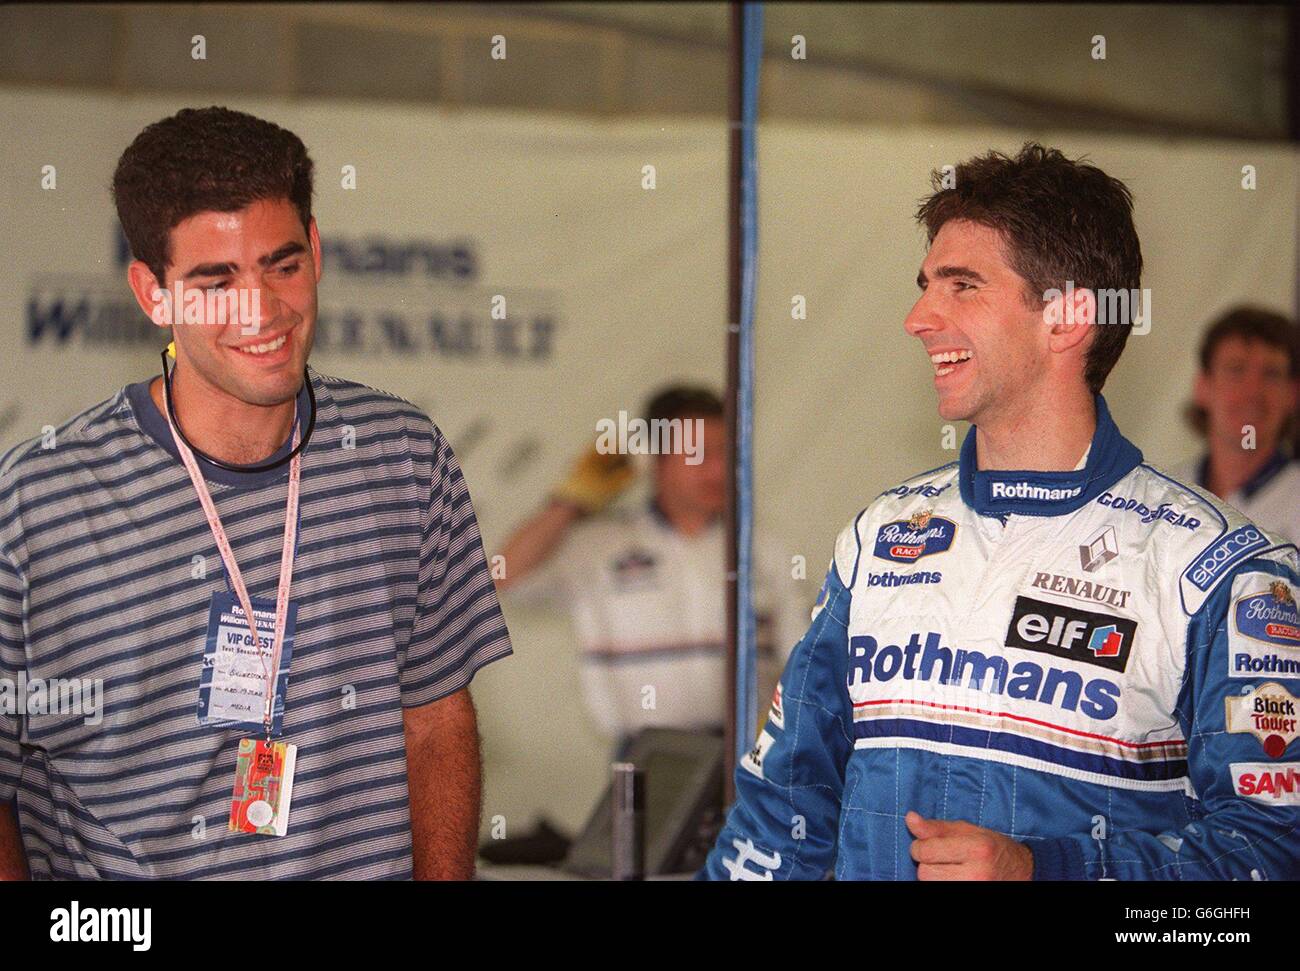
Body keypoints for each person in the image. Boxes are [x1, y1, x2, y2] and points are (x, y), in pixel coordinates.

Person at [701, 143, 1300, 881]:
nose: (919, 317)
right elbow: (780, 814)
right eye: (925, 285)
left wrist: (1045, 870)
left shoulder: (1221, 573)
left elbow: (1267, 856)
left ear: (1069, 317)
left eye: (963, 286)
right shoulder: (883, 537)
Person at [0, 107, 512, 879]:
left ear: (317, 249)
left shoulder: (404, 458)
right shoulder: (38, 504)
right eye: (216, 280)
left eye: (282, 264)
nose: (263, 311)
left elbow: (436, 719)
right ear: (152, 293)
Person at [496, 386, 803, 752]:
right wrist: (570, 500)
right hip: (648, 756)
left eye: (726, 452)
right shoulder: (599, 544)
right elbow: (503, 576)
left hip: (753, 754)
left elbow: (802, 658)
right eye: (699, 454)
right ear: (655, 460)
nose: (718, 469)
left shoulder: (763, 547)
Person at [1172, 307, 1300, 545]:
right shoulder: (1167, 492)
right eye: (1236, 370)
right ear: (1203, 387)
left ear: (1293, 395)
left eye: (1271, 374)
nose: (1253, 391)